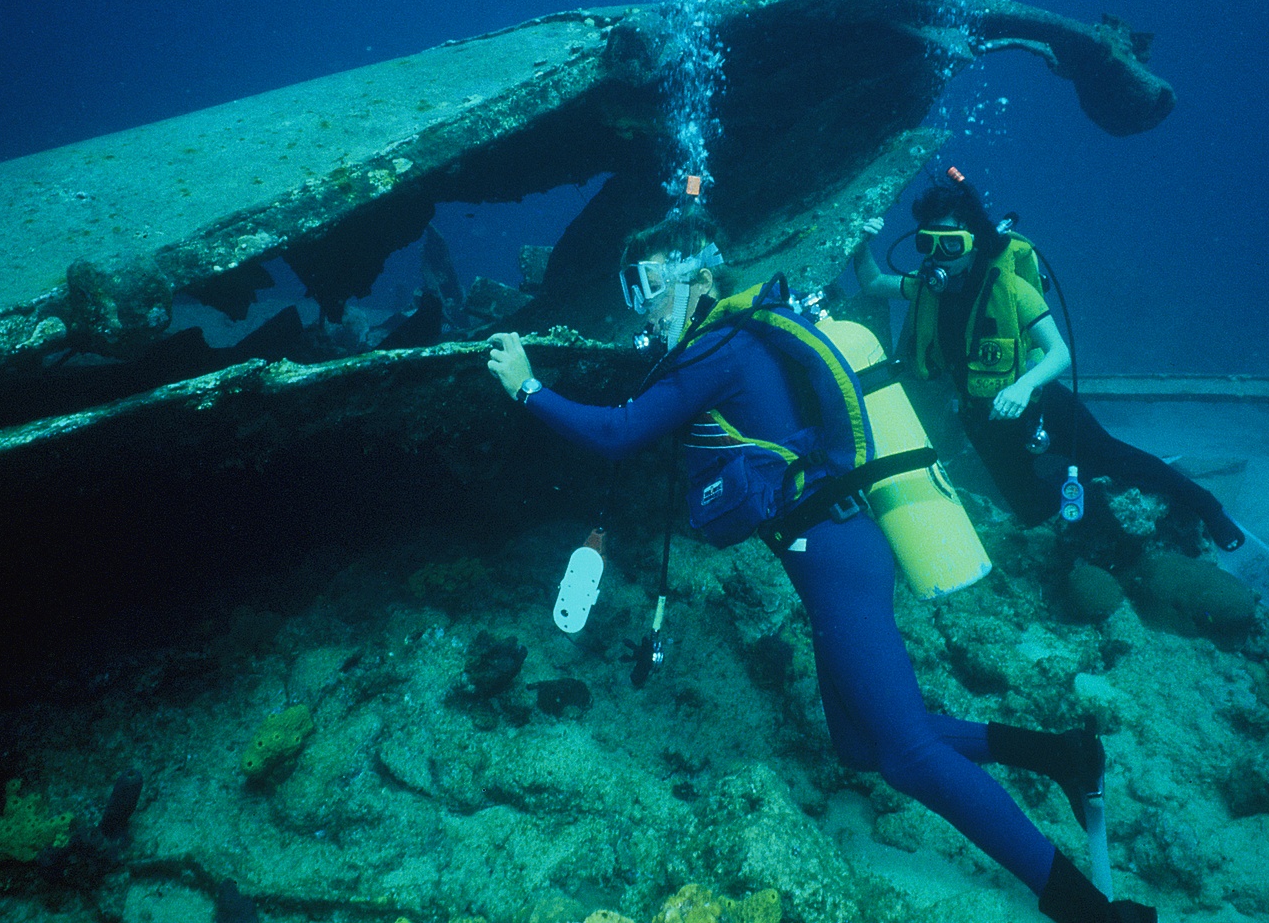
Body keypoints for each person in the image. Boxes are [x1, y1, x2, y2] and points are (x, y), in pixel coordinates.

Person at [487, 210, 1156, 923]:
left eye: (649, 282)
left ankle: (1088, 909)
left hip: (835, 555)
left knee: (906, 754)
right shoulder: (729, 344)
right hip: (831, 555)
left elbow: (619, 433)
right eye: (631, 288)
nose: (641, 303)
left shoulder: (719, 348)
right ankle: (1060, 755)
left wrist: (528, 387)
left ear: (701, 279)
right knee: (859, 744)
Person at [853, 172, 1245, 563]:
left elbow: (1059, 353)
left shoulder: (1011, 288)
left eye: (952, 245)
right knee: (1030, 508)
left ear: (975, 243)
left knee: (1116, 455)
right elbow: (872, 282)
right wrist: (861, 241)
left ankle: (1207, 507)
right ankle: (1089, 484)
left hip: (1040, 405)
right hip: (983, 419)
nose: (939, 257)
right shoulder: (926, 287)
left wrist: (1023, 386)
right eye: (928, 244)